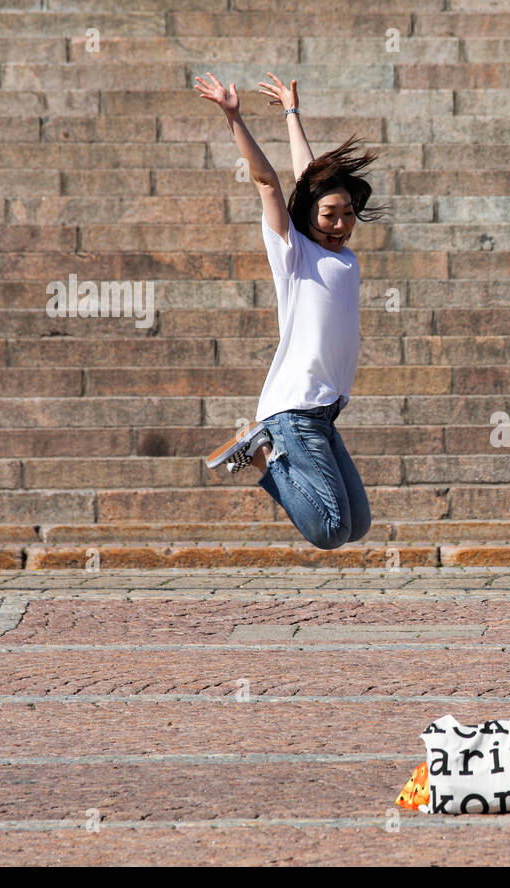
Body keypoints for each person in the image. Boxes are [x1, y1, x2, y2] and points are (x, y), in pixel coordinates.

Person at [196, 72, 383, 550]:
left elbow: (308, 179)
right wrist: (233, 117)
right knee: (328, 530)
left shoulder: (342, 256)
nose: (340, 224)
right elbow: (269, 182)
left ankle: (263, 453)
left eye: (346, 214)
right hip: (294, 409)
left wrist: (291, 113)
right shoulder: (294, 253)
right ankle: (259, 455)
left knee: (356, 526)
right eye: (329, 216)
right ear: (309, 218)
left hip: (322, 410)